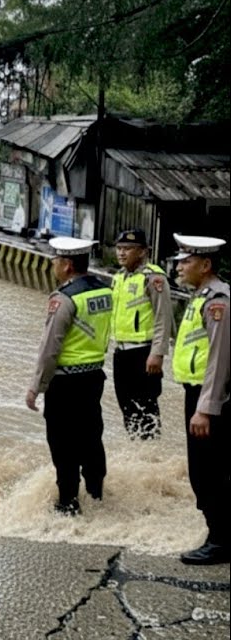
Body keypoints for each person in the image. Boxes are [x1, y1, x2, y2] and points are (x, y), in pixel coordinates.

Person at [24, 237, 112, 516]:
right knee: (91, 435)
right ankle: (97, 494)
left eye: (55, 261)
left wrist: (36, 386)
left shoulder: (63, 298)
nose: (53, 265)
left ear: (67, 265)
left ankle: (68, 502)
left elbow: (50, 348)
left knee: (63, 443)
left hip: (65, 382)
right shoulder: (104, 291)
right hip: (94, 375)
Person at [171, 234, 229, 565]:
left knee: (209, 472)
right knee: (204, 471)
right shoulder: (201, 297)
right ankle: (219, 533)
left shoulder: (217, 301)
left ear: (205, 265)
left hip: (209, 398)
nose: (180, 266)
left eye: (186, 261)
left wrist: (205, 409)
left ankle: (220, 541)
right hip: (200, 393)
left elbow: (220, 360)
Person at [109, 229, 173, 439]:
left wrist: (158, 353)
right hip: (121, 353)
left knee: (146, 410)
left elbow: (163, 318)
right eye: (119, 248)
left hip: (143, 354)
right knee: (127, 409)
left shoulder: (153, 278)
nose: (121, 253)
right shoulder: (118, 278)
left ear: (143, 251)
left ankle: (152, 455)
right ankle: (137, 454)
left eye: (128, 249)